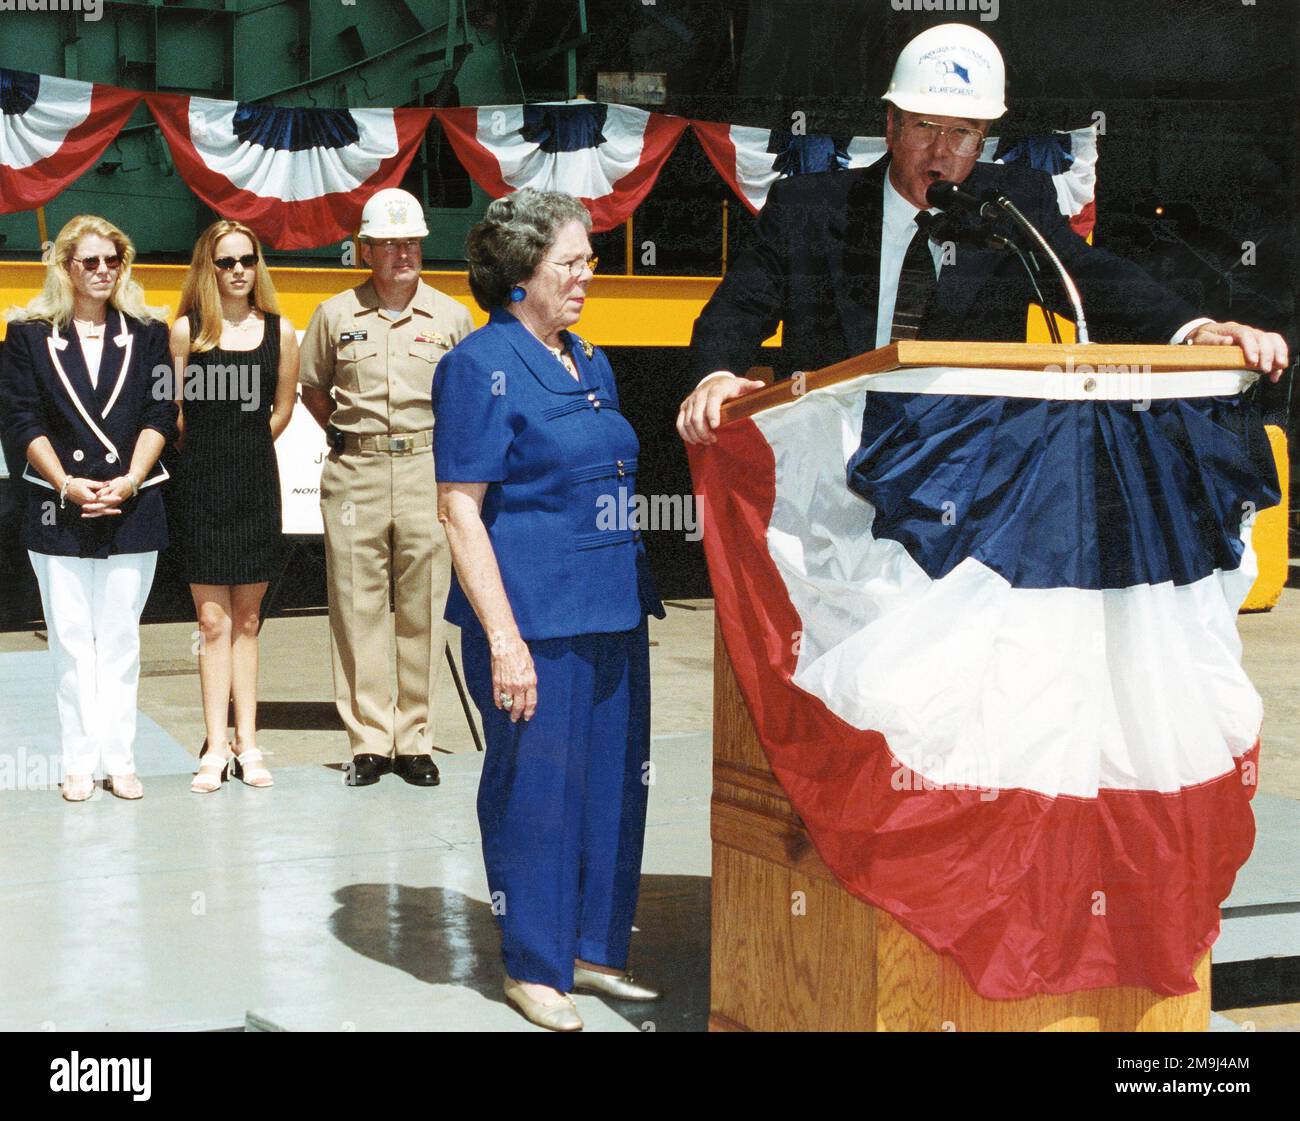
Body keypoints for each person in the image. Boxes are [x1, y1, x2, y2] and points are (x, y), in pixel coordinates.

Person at [677, 22, 1290, 444]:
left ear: (983, 139)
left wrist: (1194, 329)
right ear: (889, 126)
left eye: (962, 133)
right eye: (922, 127)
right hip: (832, 451)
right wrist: (717, 375)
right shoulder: (809, 208)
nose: (939, 153)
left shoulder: (1010, 203)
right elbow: (733, 314)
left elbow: (1091, 280)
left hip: (965, 455)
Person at [434, 188, 666, 1032]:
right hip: (534, 618)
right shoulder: (477, 365)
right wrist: (503, 638)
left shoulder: (590, 357)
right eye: (570, 263)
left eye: (588, 261)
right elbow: (460, 508)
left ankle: (594, 949)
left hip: (612, 605)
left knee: (612, 785)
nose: (587, 276)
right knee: (538, 789)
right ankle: (535, 963)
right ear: (520, 273)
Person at [299, 188, 473, 787]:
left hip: (427, 469)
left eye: (412, 243)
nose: (403, 254)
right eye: (390, 244)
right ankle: (370, 741)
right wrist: (355, 441)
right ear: (364, 250)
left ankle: (416, 739)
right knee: (356, 606)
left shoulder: (452, 318)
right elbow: (315, 391)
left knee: (424, 605)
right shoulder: (335, 315)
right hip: (357, 474)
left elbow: (466, 401)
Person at [0, 215, 177, 801]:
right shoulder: (27, 334)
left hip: (133, 503)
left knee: (121, 639)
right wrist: (66, 483)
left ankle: (120, 760)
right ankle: (78, 761)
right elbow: (20, 419)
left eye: (112, 260)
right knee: (72, 640)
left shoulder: (148, 333)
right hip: (59, 507)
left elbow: (159, 415)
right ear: (66, 268)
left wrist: (129, 480)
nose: (102, 271)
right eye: (90, 261)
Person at [170, 220, 299, 792]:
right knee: (211, 620)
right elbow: (172, 417)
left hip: (254, 488)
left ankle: (249, 742)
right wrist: (209, 456)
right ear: (208, 268)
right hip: (199, 488)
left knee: (248, 620)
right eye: (225, 262)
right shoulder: (185, 333)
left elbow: (282, 410)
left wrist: (242, 450)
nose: (238, 270)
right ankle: (215, 745)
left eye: (247, 259)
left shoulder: (281, 331)